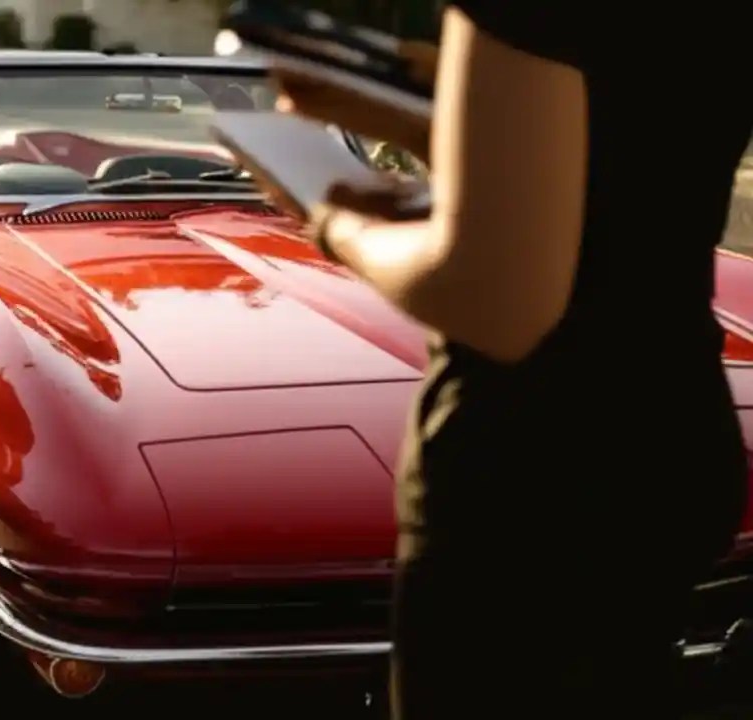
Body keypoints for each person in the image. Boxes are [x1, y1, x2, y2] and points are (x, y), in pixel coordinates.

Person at [267, 2, 753, 718]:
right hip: (669, 427)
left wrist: (328, 211)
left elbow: (492, 293)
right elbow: (621, 166)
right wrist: (417, 109)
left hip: (527, 476)